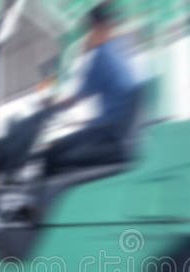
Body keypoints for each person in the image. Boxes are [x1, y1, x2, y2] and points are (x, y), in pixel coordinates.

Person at [42, 2, 139, 172]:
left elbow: (75, 99)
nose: (86, 38)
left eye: (87, 32)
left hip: (110, 136)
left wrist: (49, 107)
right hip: (119, 133)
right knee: (69, 142)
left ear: (97, 28)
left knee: (52, 153)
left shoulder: (102, 57)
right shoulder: (122, 51)